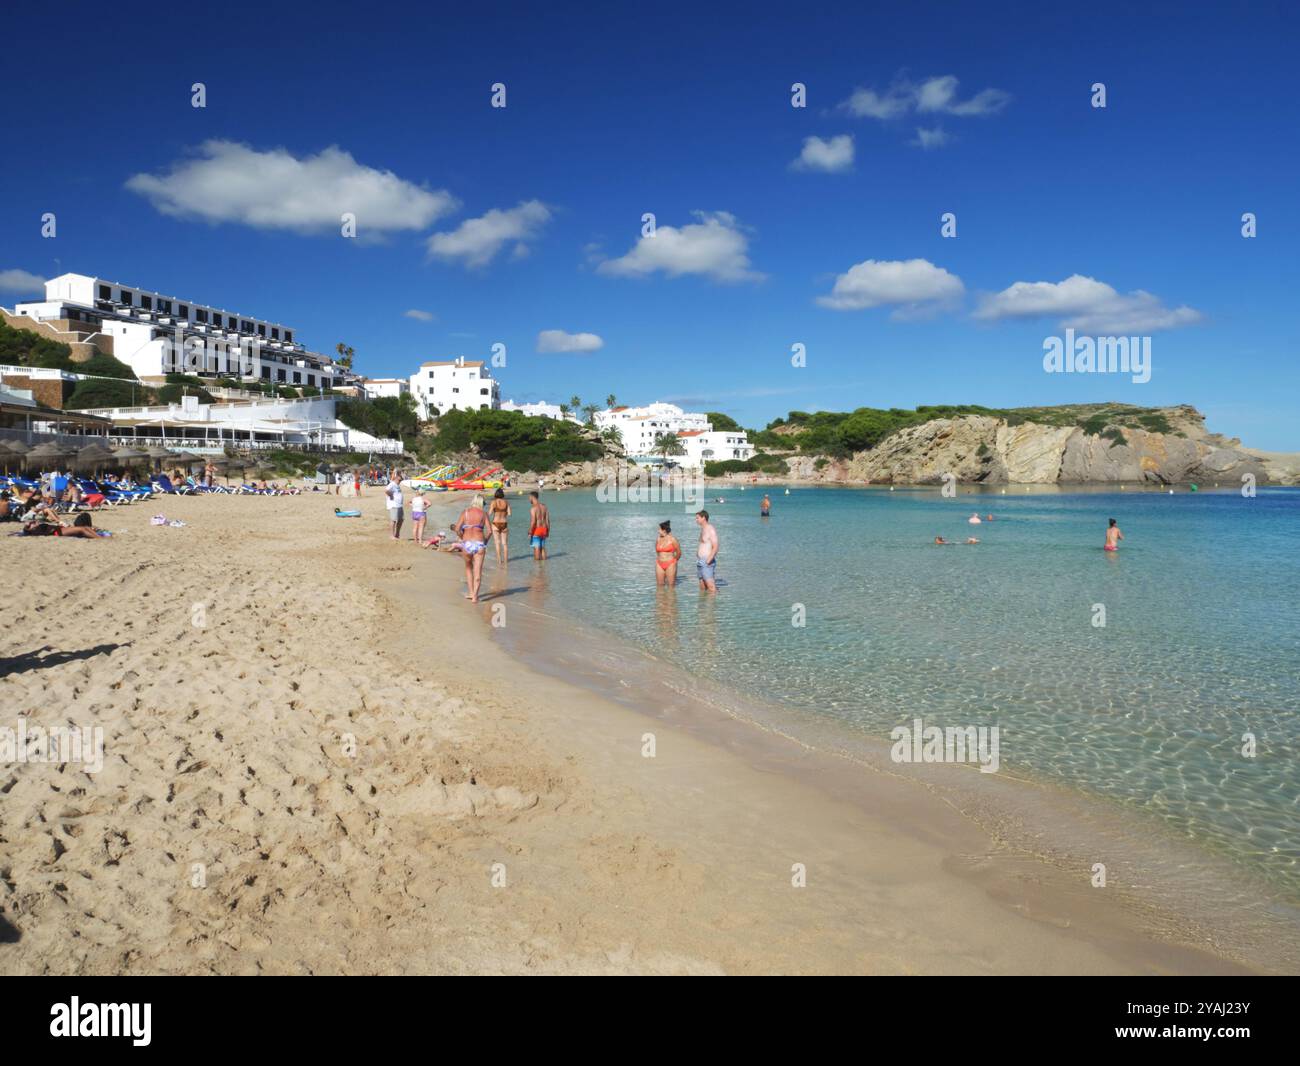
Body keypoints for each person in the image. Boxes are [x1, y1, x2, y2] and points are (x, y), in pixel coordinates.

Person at [454, 496, 492, 603]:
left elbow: (457, 529)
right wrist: (485, 542)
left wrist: (462, 537)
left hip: (467, 543)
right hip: (479, 543)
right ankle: (475, 596)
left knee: (468, 568)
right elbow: (489, 531)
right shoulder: (483, 514)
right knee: (478, 570)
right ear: (481, 503)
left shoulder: (465, 512)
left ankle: (470, 593)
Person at [695, 509, 718, 592]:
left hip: (706, 561)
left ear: (703, 518)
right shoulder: (703, 529)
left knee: (711, 587)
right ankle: (703, 605)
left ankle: (715, 604)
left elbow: (716, 546)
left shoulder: (710, 529)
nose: (696, 520)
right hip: (700, 561)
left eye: (697, 518)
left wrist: (708, 560)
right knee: (702, 587)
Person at [654, 520, 681, 587]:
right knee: (660, 586)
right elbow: (657, 551)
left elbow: (679, 552)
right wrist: (660, 558)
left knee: (671, 587)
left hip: (670, 564)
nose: (658, 531)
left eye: (659, 529)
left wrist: (674, 561)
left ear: (664, 530)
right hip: (659, 564)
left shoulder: (673, 539)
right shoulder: (658, 539)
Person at [488, 488, 511, 565]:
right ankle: (506, 561)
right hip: (504, 523)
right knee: (504, 544)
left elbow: (490, 513)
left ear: (496, 494)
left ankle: (499, 561)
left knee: (497, 543)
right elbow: (509, 513)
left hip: (496, 523)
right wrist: (504, 514)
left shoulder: (494, 502)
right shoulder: (506, 502)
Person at [528, 491, 550, 560]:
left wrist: (530, 531)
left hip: (536, 529)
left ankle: (537, 567)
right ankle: (543, 566)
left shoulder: (533, 509)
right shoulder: (544, 507)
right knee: (542, 547)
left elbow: (533, 521)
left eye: (529, 498)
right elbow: (547, 520)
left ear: (532, 497)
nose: (529, 499)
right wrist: (548, 531)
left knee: (536, 548)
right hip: (544, 529)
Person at [385, 472, 404, 540]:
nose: (400, 481)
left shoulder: (397, 485)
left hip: (399, 505)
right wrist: (391, 496)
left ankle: (397, 534)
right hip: (393, 505)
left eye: (401, 480)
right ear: (396, 478)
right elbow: (386, 490)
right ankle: (391, 535)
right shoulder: (392, 484)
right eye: (399, 480)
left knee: (401, 519)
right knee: (393, 520)